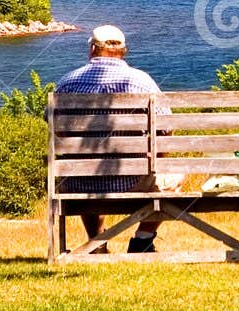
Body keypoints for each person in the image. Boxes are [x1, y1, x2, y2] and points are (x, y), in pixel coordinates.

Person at [55, 24, 179, 254]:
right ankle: (142, 240)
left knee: (85, 171)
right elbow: (167, 129)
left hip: (78, 181)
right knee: (176, 175)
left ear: (92, 49)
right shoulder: (141, 82)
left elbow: (58, 132)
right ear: (124, 51)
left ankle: (97, 242)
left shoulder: (66, 83)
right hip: (134, 180)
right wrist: (158, 164)